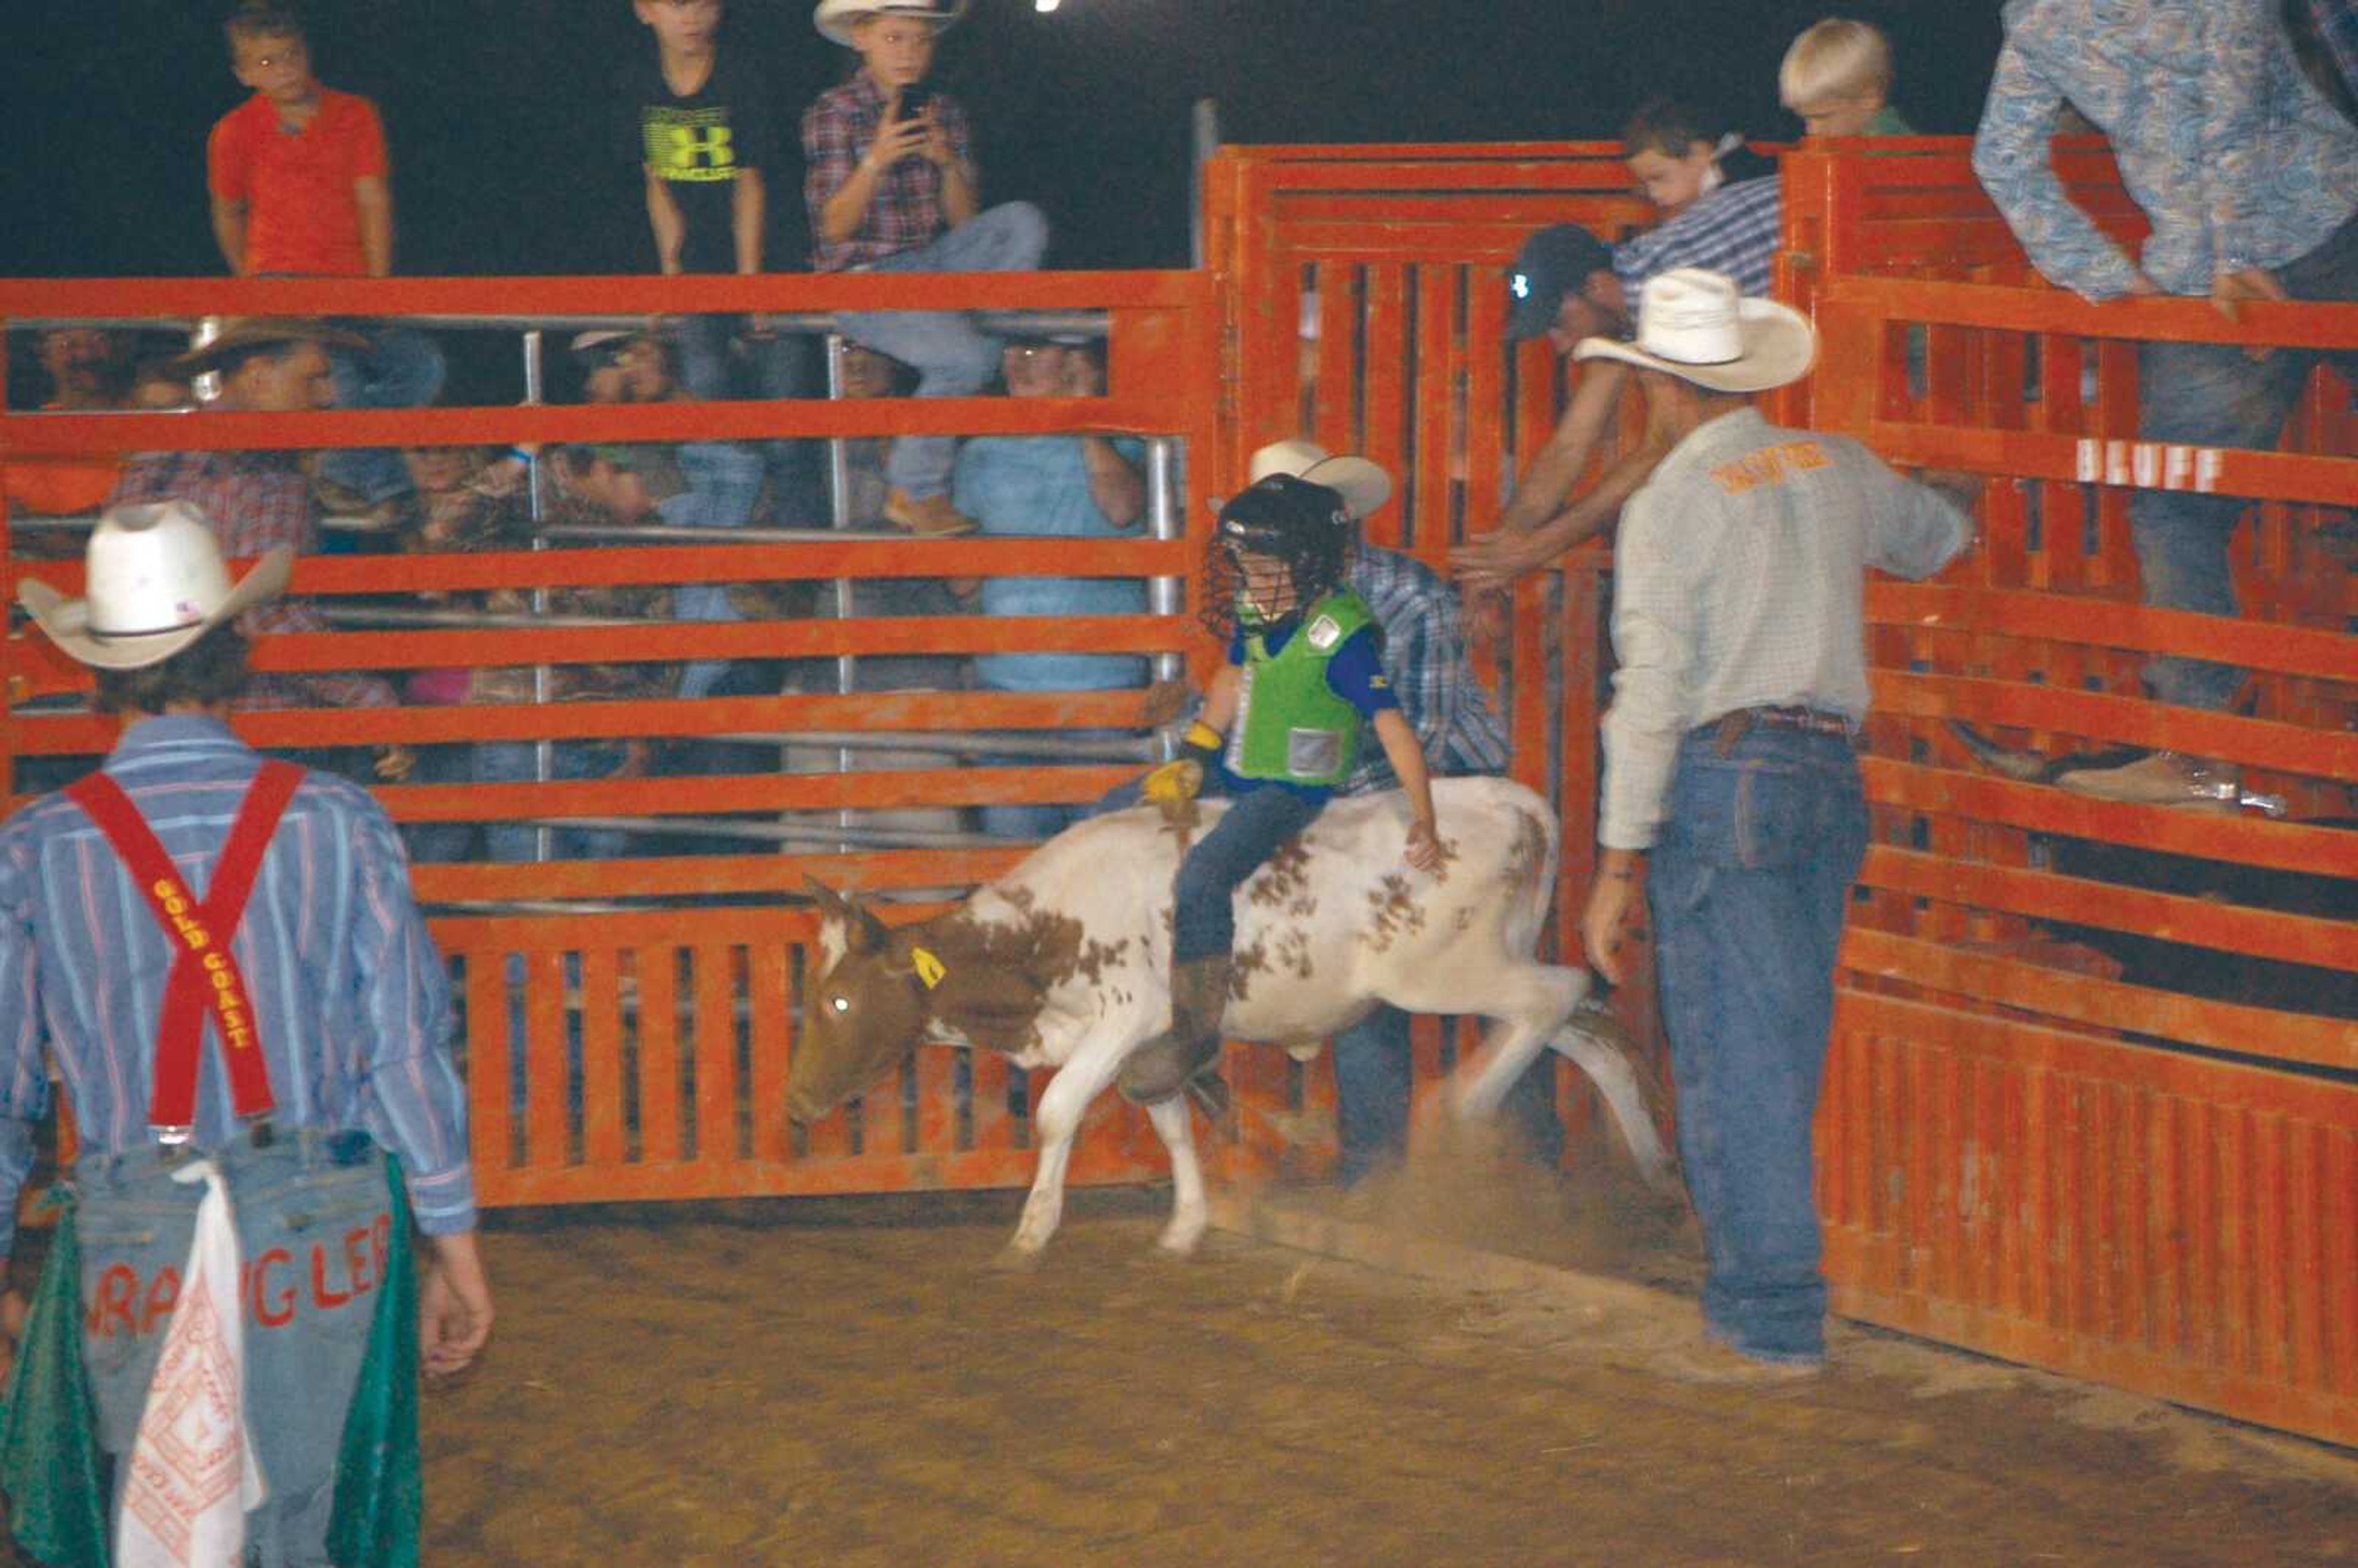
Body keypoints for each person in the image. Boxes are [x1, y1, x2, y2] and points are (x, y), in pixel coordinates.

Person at [0, 500, 492, 1563]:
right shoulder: (335, 817)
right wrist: (454, 1238)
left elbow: (4, 1091)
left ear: (99, 668)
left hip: (137, 1212)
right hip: (318, 1207)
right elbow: (403, 1046)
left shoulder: (37, 846)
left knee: (163, 1505)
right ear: (236, 648)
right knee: (299, 1503)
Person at [1574, 269, 1972, 1380]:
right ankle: (1771, 1287)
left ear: (1660, 382)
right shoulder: (1835, 464)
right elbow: (1939, 538)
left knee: (1732, 1047)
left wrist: (1618, 858)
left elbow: (1651, 687)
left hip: (1729, 769)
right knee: (1785, 1038)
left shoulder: (1675, 502)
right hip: (1828, 770)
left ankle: (1769, 1312)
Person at [1972, 0, 2358, 809]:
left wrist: (2110, 272)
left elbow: (2002, 160)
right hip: (2331, 225)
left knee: (2178, 508)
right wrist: (2236, 254)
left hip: (2200, 277)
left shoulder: (2039, 21)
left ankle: (2201, 750)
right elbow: (2236, 96)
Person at [1246, 441, 1558, 1182]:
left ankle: (1521, 1167)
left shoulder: (1408, 595)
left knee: (1439, 971)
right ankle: (1382, 1177)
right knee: (1375, 975)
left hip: (1447, 795)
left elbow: (1428, 733)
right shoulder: (1270, 595)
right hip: (1349, 801)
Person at [1116, 474, 1447, 1108]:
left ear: (1309, 562)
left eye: (1263, 564)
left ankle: (1195, 1033)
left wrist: (1423, 820)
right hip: (1236, 765)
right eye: (1242, 562)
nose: (1248, 576)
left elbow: (1392, 724)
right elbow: (1230, 677)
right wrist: (1193, 756)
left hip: (1292, 788)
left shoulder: (1342, 635)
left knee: (1204, 876)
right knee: (1122, 810)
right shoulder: (1257, 605)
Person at [109, 317, 416, 783]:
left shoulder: (159, 457)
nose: (328, 396)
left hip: (152, 715)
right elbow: (267, 610)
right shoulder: (270, 479)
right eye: (313, 378)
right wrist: (371, 699)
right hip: (262, 721)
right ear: (257, 377)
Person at [804, 0, 1049, 537]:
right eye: (895, 39)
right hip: (863, 276)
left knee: (1022, 222)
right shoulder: (836, 111)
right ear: (862, 37)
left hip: (931, 266)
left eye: (920, 40)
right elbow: (833, 229)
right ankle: (916, 487)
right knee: (969, 357)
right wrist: (876, 160)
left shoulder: (943, 110)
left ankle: (966, 340)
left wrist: (946, 163)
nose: (910, 54)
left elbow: (966, 222)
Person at [207, 2, 445, 515]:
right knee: (337, 372)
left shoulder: (354, 114)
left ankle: (348, 470)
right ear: (244, 73)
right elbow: (228, 210)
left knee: (419, 364)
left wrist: (378, 286)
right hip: (281, 286)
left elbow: (372, 198)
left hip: (350, 285)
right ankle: (376, 485)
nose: (284, 69)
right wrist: (250, 282)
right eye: (267, 62)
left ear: (307, 54)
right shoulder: (234, 131)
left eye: (290, 55)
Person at [626, 0, 825, 526]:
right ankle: (727, 547)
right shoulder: (640, 82)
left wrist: (751, 283)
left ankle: (804, 566)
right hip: (701, 266)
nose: (692, 17)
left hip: (771, 259)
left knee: (785, 427)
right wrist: (671, 275)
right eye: (677, 5)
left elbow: (750, 183)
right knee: (708, 405)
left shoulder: (741, 76)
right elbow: (656, 181)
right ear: (645, 11)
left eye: (705, 5)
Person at [953, 335, 1151, 839]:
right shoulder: (981, 449)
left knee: (1099, 857)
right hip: (1007, 688)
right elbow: (961, 573)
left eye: (1036, 350)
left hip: (1101, 687)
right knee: (1016, 861)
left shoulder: (1122, 439)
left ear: (1076, 362)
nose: (1017, 363)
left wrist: (1084, 419)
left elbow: (1124, 508)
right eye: (1012, 351)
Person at [1779, 17, 1914, 139]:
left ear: (1868, 98)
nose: (1812, 131)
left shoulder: (1890, 146)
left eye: (1823, 117)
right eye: (1806, 119)